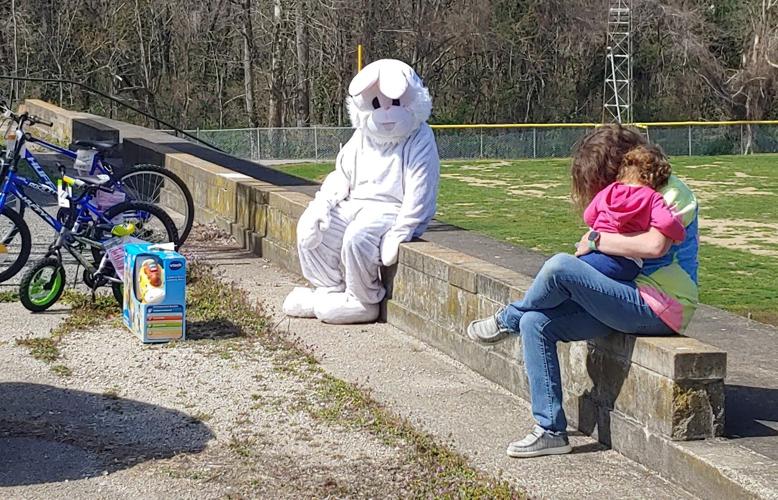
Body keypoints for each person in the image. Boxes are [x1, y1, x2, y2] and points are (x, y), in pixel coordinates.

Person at [466, 124, 699, 458]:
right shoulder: (624, 194)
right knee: (537, 323)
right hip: (622, 297)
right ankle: (550, 430)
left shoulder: (671, 192)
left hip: (659, 306)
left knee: (561, 267)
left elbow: (655, 244)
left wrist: (596, 240)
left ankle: (508, 317)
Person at [579, 144, 687, 281]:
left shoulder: (609, 190)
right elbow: (666, 222)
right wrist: (679, 234)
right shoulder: (652, 197)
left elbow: (588, 216)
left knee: (570, 277)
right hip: (626, 262)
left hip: (595, 252)